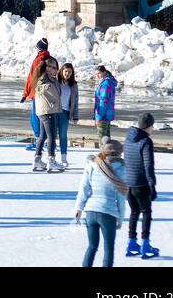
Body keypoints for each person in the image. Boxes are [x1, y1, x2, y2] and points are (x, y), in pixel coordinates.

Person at [74, 138, 128, 267]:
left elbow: (84, 188)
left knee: (92, 247)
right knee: (108, 249)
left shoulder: (93, 164)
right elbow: (121, 197)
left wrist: (79, 208)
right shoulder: (121, 169)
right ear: (119, 153)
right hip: (108, 214)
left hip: (90, 212)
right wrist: (120, 218)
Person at [123, 112, 158, 258]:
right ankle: (145, 244)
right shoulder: (146, 141)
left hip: (128, 184)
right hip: (141, 184)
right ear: (149, 126)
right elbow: (148, 165)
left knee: (134, 213)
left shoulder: (128, 138)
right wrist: (152, 185)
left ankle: (132, 243)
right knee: (146, 213)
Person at [32, 57, 64, 172]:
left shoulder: (51, 79)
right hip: (48, 111)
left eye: (57, 68)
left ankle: (37, 159)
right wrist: (45, 87)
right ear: (47, 68)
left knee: (43, 136)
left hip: (45, 111)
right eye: (54, 68)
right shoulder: (43, 79)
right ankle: (51, 160)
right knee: (51, 136)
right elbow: (39, 88)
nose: (57, 70)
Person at [21, 38, 49, 150]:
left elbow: (32, 78)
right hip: (46, 93)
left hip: (37, 93)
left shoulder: (38, 60)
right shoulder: (50, 59)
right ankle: (46, 140)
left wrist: (25, 93)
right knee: (45, 117)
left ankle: (39, 140)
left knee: (35, 117)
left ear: (39, 48)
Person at [57, 61, 80, 167]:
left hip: (65, 113)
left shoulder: (73, 85)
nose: (67, 74)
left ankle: (64, 158)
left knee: (63, 135)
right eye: (66, 71)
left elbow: (75, 101)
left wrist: (75, 116)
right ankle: (51, 157)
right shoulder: (55, 82)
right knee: (51, 135)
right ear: (62, 71)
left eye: (70, 72)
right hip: (53, 112)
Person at [93, 65, 118, 141]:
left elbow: (104, 101)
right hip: (108, 113)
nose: (97, 76)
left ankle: (104, 152)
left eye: (99, 73)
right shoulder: (109, 81)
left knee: (102, 139)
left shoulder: (105, 84)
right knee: (107, 138)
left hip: (103, 114)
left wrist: (99, 116)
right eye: (96, 74)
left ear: (104, 72)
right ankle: (108, 152)